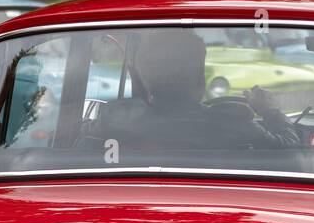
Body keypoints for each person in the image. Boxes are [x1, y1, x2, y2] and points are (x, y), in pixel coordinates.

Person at [101, 31, 300, 150]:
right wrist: (271, 112)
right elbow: (290, 150)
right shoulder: (231, 122)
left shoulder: (115, 125)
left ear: (146, 79)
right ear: (200, 80)